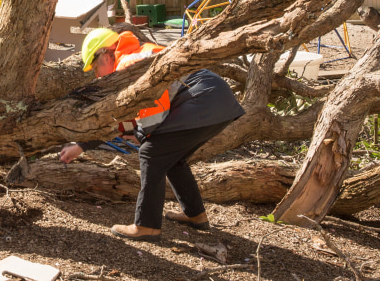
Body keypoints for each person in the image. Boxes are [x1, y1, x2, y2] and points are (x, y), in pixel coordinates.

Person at [59, 28, 245, 242]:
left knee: (151, 153)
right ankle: (195, 215)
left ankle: (146, 226)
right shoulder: (137, 54)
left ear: (107, 54)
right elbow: (123, 121)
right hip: (217, 100)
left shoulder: (127, 64)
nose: (97, 75)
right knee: (172, 158)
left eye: (95, 67)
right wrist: (84, 144)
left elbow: (155, 111)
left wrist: (140, 133)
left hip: (202, 99)